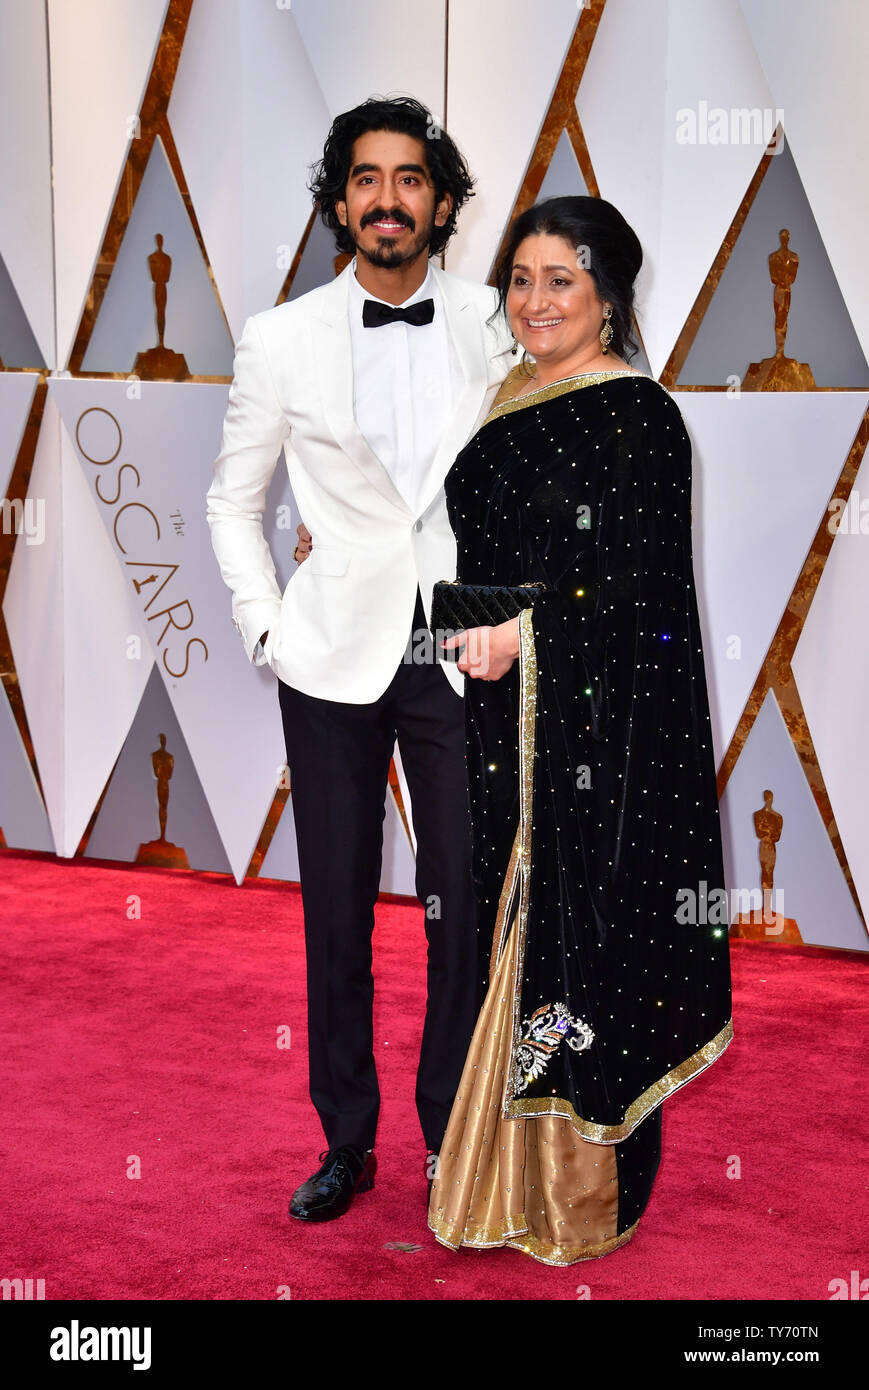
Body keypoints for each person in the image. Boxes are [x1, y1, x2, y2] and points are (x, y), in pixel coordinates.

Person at [206, 96, 515, 1222]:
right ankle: (346, 1141)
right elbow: (231, 504)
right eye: (366, 179)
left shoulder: (495, 321)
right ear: (339, 200)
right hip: (327, 650)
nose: (388, 198)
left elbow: (527, 488)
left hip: (453, 641)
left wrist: (509, 616)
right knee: (334, 913)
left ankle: (453, 1138)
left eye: (410, 178)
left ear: (441, 201)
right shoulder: (278, 336)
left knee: (460, 908)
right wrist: (266, 625)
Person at [428, 196, 733, 1264]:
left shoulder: (637, 415)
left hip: (595, 742)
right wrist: (475, 632)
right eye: (518, 278)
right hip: (497, 725)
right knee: (498, 925)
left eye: (559, 279)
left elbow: (637, 591)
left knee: (576, 937)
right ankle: (494, 1170)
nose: (533, 300)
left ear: (607, 294)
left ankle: (575, 1192)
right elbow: (486, 555)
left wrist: (521, 632)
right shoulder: (509, 390)